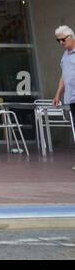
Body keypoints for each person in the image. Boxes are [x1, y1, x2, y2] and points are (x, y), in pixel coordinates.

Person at [52, 26, 75, 170]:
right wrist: (58, 94)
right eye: (58, 40)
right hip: (71, 98)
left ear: (71, 37)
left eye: (62, 39)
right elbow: (64, 75)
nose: (61, 42)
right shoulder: (65, 55)